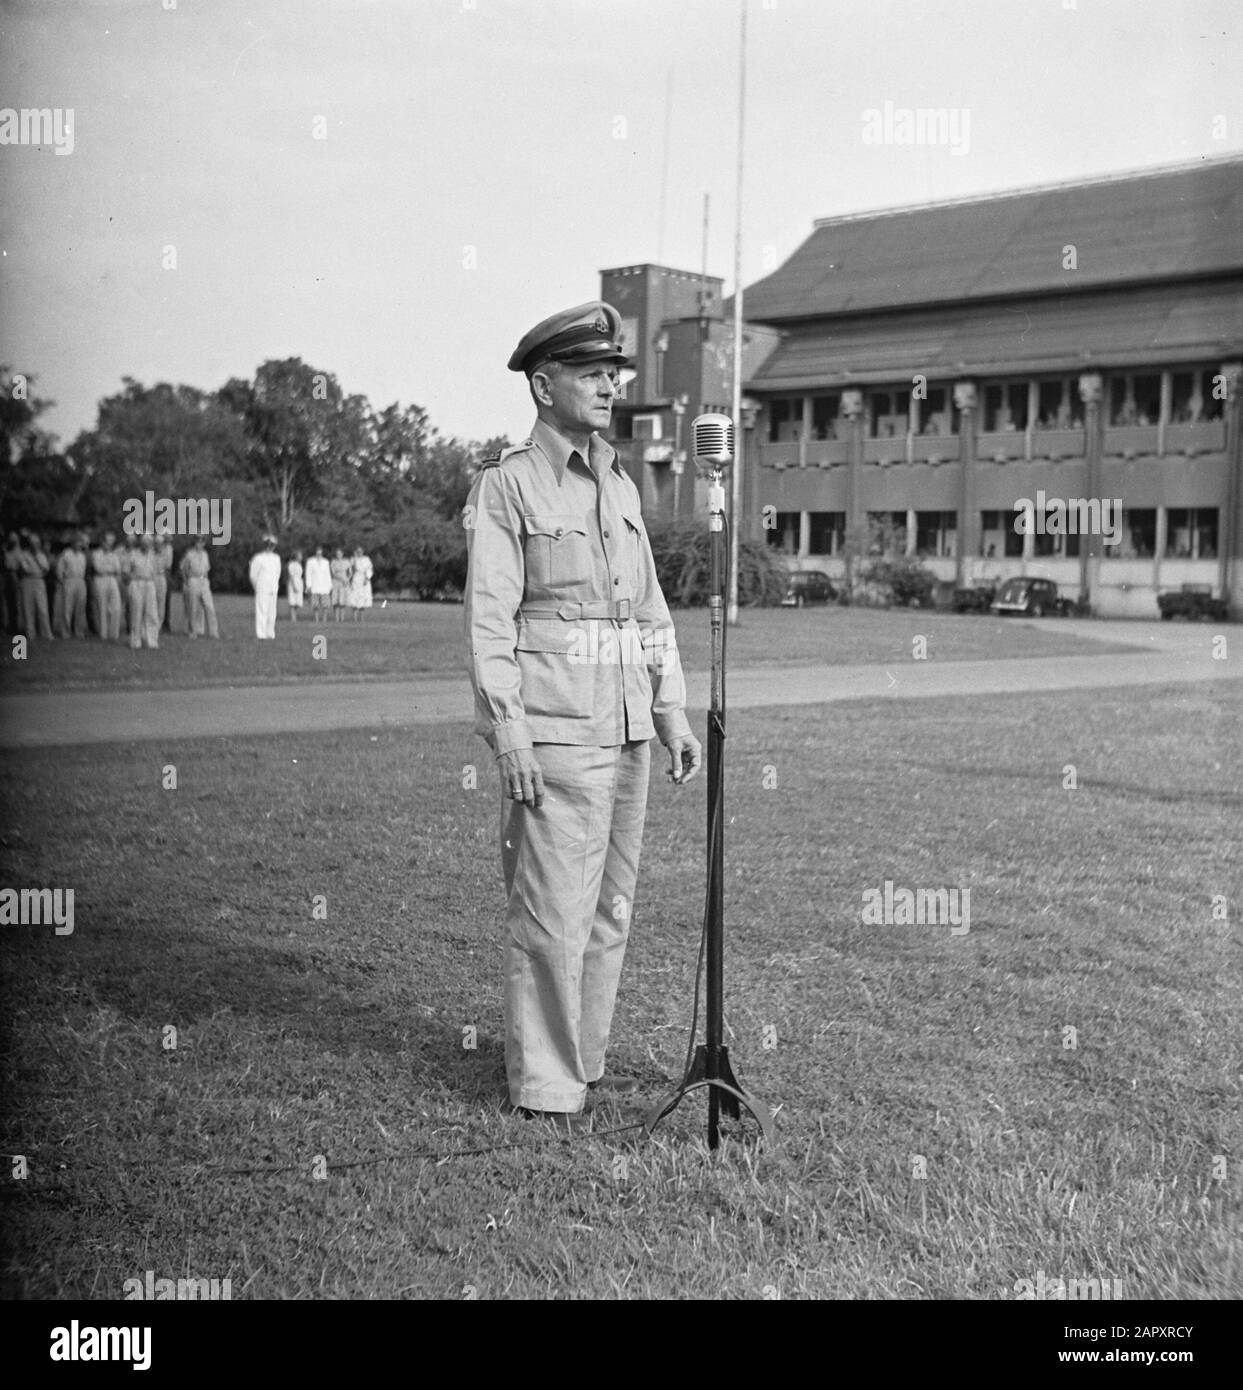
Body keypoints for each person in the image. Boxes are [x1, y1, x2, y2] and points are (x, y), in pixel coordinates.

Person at [464, 300, 701, 1133]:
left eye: (614, 374)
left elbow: (650, 613)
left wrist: (671, 712)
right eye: (592, 373)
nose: (609, 386)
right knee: (552, 911)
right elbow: (490, 623)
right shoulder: (508, 486)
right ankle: (545, 1086)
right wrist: (510, 731)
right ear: (542, 384)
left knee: (609, 909)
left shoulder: (620, 482)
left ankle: (583, 1062)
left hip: (628, 723)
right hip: (558, 728)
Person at [179, 535, 220, 638]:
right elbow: (182, 569)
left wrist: (207, 581)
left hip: (204, 580)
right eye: (198, 541)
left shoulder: (205, 554)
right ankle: (193, 631)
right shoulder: (189, 554)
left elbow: (207, 569)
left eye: (202, 541)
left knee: (209, 606)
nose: (200, 543)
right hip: (193, 579)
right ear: (195, 542)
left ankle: (213, 632)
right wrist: (186, 582)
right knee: (193, 607)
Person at [126, 533, 161, 649]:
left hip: (150, 583)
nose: (147, 545)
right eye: (145, 543)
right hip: (136, 583)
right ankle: (135, 641)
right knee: (136, 612)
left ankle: (152, 641)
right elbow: (126, 571)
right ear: (141, 543)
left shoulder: (153, 556)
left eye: (149, 543)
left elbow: (156, 572)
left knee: (152, 612)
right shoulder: (133, 554)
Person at [17, 531, 54, 638]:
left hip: (39, 581)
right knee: (28, 608)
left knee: (42, 607)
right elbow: (25, 569)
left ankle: (46, 633)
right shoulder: (23, 555)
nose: (35, 545)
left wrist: (38, 564)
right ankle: (30, 633)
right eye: (33, 543)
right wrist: (37, 570)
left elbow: (46, 568)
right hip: (27, 581)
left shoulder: (41, 555)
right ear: (29, 543)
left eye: (37, 543)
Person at [54, 532, 89, 638]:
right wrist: (61, 580)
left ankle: (79, 631)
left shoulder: (82, 555)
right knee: (67, 606)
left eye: (80, 543)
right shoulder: (66, 553)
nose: (79, 545)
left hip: (80, 581)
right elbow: (59, 568)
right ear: (73, 543)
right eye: (77, 543)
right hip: (69, 580)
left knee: (81, 607)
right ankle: (65, 631)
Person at [90, 532, 123, 639]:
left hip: (112, 579)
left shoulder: (114, 554)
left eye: (111, 542)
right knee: (101, 605)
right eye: (107, 541)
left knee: (116, 606)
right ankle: (103, 633)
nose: (109, 544)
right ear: (103, 542)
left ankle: (113, 633)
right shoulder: (96, 553)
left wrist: (108, 568)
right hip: (100, 579)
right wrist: (110, 568)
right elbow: (98, 568)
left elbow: (117, 569)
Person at [250, 534, 281, 639]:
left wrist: (275, 585)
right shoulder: (258, 558)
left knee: (272, 613)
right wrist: (257, 587)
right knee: (262, 611)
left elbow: (278, 573)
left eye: (272, 545)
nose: (270, 547)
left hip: (273, 588)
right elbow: (253, 575)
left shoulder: (277, 558)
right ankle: (261, 634)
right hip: (262, 588)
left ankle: (270, 633)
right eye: (268, 545)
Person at [3, 531, 23, 634]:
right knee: (8, 602)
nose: (13, 541)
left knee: (15, 602)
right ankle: (9, 626)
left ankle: (16, 626)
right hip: (6, 576)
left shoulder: (18, 551)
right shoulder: (5, 549)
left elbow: (19, 565)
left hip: (14, 575)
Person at [305, 545, 332, 622]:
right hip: (314, 585)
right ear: (315, 553)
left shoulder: (326, 562)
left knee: (325, 604)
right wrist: (308, 585)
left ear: (322, 553)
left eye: (320, 553)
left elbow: (328, 574)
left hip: (324, 585)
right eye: (317, 553)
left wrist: (330, 585)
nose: (319, 554)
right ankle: (316, 619)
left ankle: (324, 619)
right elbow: (308, 574)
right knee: (315, 604)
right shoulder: (310, 562)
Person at [154, 536, 175, 633]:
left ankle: (160, 624)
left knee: (162, 601)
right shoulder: (151, 553)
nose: (159, 545)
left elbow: (168, 566)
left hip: (162, 576)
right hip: (153, 577)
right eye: (157, 543)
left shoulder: (168, 550)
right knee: (153, 601)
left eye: (160, 544)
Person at [347, 546, 373, 622]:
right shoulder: (353, 559)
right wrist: (354, 560)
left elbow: (369, 569)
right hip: (356, 578)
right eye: (358, 551)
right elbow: (350, 570)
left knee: (363, 597)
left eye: (360, 551)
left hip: (364, 579)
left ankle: (362, 618)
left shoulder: (367, 559)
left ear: (363, 551)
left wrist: (367, 578)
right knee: (354, 597)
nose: (359, 552)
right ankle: (355, 618)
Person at [330, 547, 350, 622]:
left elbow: (350, 572)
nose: (338, 555)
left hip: (344, 582)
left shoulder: (346, 562)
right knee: (336, 601)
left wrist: (347, 580)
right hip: (336, 581)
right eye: (337, 554)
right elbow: (333, 573)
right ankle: (336, 618)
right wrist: (341, 579)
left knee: (343, 601)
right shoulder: (333, 562)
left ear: (342, 554)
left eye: (340, 553)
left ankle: (342, 618)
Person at [287, 550, 304, 623]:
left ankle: (295, 617)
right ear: (296, 556)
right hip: (293, 582)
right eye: (300, 555)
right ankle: (293, 618)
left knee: (297, 602)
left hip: (299, 582)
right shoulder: (291, 564)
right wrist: (293, 585)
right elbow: (291, 575)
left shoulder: (299, 564)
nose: (301, 557)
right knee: (293, 601)